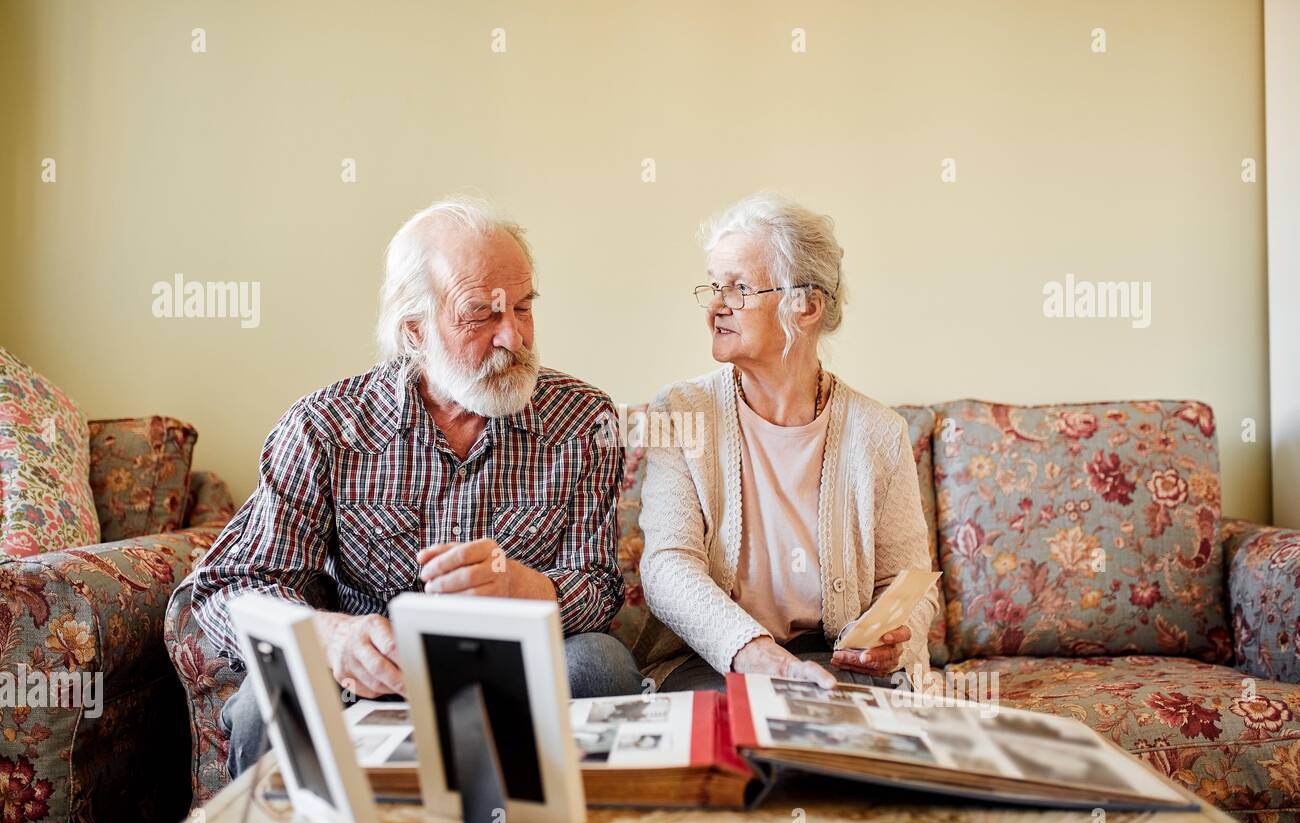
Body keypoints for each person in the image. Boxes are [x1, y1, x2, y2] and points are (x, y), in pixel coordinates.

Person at [192, 197, 642, 778]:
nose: (514, 337)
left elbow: (601, 588)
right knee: (266, 703)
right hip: (369, 677)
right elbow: (229, 588)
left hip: (515, 665)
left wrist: (523, 587)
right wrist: (325, 638)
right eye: (481, 315)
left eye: (524, 308)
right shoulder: (326, 427)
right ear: (414, 331)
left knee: (602, 668)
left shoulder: (582, 420)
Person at [637, 193, 939, 693]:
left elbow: (906, 583)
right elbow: (668, 565)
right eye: (714, 287)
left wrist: (893, 640)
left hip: (836, 660)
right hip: (715, 659)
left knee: (865, 748)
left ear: (806, 306)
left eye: (738, 288)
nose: (716, 307)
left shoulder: (878, 432)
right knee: (752, 738)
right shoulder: (682, 412)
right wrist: (757, 655)